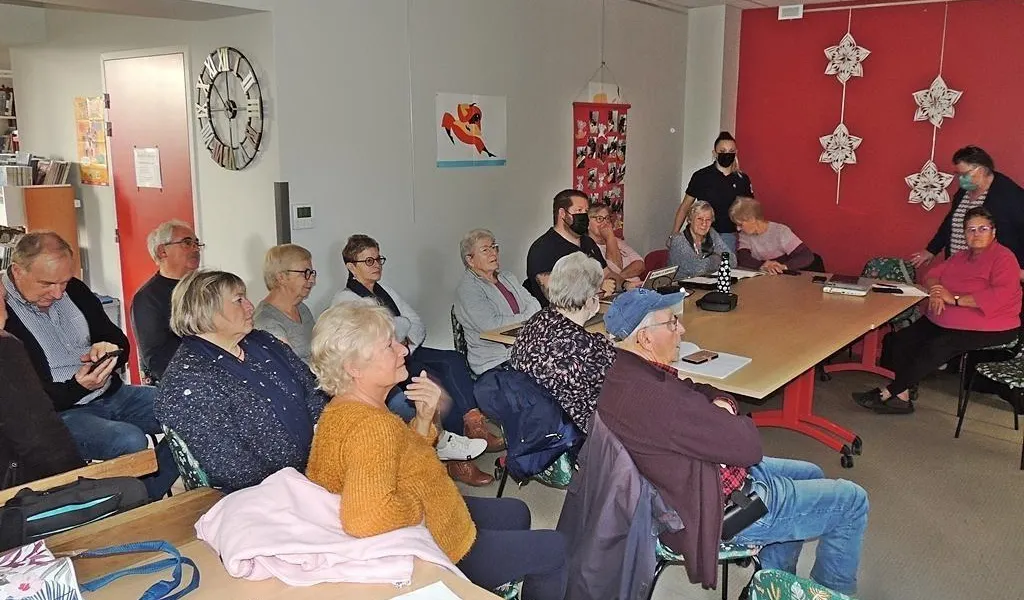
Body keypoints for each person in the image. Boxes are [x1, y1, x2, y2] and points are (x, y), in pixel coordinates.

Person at [599, 289, 869, 594]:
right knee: (852, 500)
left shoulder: (626, 373)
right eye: (673, 323)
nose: (682, 329)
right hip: (715, 507)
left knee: (811, 473)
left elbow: (693, 387)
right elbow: (749, 447)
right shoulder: (660, 402)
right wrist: (727, 412)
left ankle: (775, 581)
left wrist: (722, 402)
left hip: (693, 482)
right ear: (646, 338)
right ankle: (826, 593)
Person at [306, 301, 568, 600]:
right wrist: (421, 504)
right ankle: (467, 583)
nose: (403, 349)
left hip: (432, 516)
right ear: (354, 368)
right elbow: (366, 518)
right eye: (388, 346)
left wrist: (423, 418)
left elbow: (401, 460)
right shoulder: (371, 427)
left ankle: (488, 588)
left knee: (516, 511)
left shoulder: (342, 410)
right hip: (437, 545)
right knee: (556, 550)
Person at [2, 231, 177, 500]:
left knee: (191, 409)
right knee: (129, 441)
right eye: (47, 283)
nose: (58, 293)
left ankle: (145, 497)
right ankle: (130, 505)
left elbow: (118, 340)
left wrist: (110, 351)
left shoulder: (75, 290)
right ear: (17, 271)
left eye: (64, 281)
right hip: (65, 412)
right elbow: (27, 402)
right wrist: (77, 387)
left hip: (114, 393)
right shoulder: (4, 314)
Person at [333, 234, 501, 486]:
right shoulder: (345, 300)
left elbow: (415, 323)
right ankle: (459, 463)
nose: (377, 264)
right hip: (384, 362)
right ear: (351, 266)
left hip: (408, 351)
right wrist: (402, 332)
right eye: (369, 261)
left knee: (453, 359)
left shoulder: (384, 289)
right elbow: (394, 329)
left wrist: (404, 340)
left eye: (379, 258)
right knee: (437, 383)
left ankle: (473, 423)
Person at [156, 270, 328, 492]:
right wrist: (302, 482)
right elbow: (231, 468)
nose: (250, 306)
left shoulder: (263, 342)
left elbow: (313, 392)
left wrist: (329, 445)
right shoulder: (187, 381)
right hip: (261, 494)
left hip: (313, 469)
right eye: (239, 300)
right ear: (206, 310)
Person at [855, 207, 1022, 414]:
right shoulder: (960, 256)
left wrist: (956, 300)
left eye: (982, 229)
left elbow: (1000, 295)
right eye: (970, 230)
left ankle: (889, 392)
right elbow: (933, 274)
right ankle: (903, 394)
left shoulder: (1004, 258)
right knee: (899, 341)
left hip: (992, 326)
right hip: (945, 319)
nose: (976, 234)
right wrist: (936, 291)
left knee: (937, 347)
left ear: (993, 232)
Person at [510, 253, 617, 434]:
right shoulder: (586, 347)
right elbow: (621, 381)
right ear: (590, 299)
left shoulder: (536, 321)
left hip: (535, 422)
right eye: (598, 291)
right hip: (579, 429)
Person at [0, 284, 85, 488]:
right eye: (3, 299)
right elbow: (39, 436)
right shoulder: (5, 350)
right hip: (13, 498)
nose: (6, 311)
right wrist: (80, 481)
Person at [911, 146, 1024, 279]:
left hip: (992, 273)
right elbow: (951, 222)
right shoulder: (964, 191)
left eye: (964, 174)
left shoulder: (1010, 195)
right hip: (959, 268)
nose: (961, 178)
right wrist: (931, 250)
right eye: (958, 174)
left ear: (981, 170)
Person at [454, 228, 541, 375]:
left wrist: (526, 320)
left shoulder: (507, 277)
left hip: (525, 348)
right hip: (494, 361)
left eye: (494, 247)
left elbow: (535, 304)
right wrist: (527, 319)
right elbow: (491, 325)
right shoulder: (468, 289)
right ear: (470, 260)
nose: (493, 253)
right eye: (485, 250)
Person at [131, 220, 203, 384]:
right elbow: (156, 359)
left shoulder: (204, 288)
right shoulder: (147, 298)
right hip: (181, 382)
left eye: (197, 243)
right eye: (187, 242)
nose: (196, 249)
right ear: (162, 251)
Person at [525, 189, 617, 306]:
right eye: (579, 210)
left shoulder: (587, 242)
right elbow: (555, 295)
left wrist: (624, 284)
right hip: (561, 318)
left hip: (592, 310)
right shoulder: (542, 249)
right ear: (562, 214)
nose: (584, 215)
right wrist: (597, 289)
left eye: (586, 211)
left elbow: (607, 273)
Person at [670, 131, 753, 253]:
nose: (727, 155)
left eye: (731, 151)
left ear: (736, 153)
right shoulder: (701, 176)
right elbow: (685, 207)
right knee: (698, 269)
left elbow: (749, 211)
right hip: (701, 233)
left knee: (725, 269)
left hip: (728, 236)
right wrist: (674, 235)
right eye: (723, 151)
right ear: (715, 153)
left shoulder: (742, 180)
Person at [253, 244, 317, 363]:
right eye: (305, 273)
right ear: (281, 277)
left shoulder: (302, 309)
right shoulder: (266, 322)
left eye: (312, 273)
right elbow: (290, 369)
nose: (312, 280)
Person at [730, 197, 815, 274]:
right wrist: (763, 265)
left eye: (740, 224)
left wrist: (783, 267)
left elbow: (806, 256)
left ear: (752, 219)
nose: (738, 229)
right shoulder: (744, 235)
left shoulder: (780, 231)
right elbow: (743, 258)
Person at [668, 200, 730, 279]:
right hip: (682, 287)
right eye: (699, 219)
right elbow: (697, 269)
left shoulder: (712, 234)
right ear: (690, 220)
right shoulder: (678, 241)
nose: (704, 224)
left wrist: (708, 263)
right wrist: (717, 257)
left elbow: (732, 260)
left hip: (706, 284)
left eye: (708, 220)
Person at [587, 203, 644, 286]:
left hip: (634, 286)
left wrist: (617, 279)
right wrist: (610, 237)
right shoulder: (588, 247)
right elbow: (616, 267)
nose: (605, 223)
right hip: (616, 292)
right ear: (587, 223)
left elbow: (640, 264)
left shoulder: (618, 241)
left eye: (607, 218)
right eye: (599, 219)